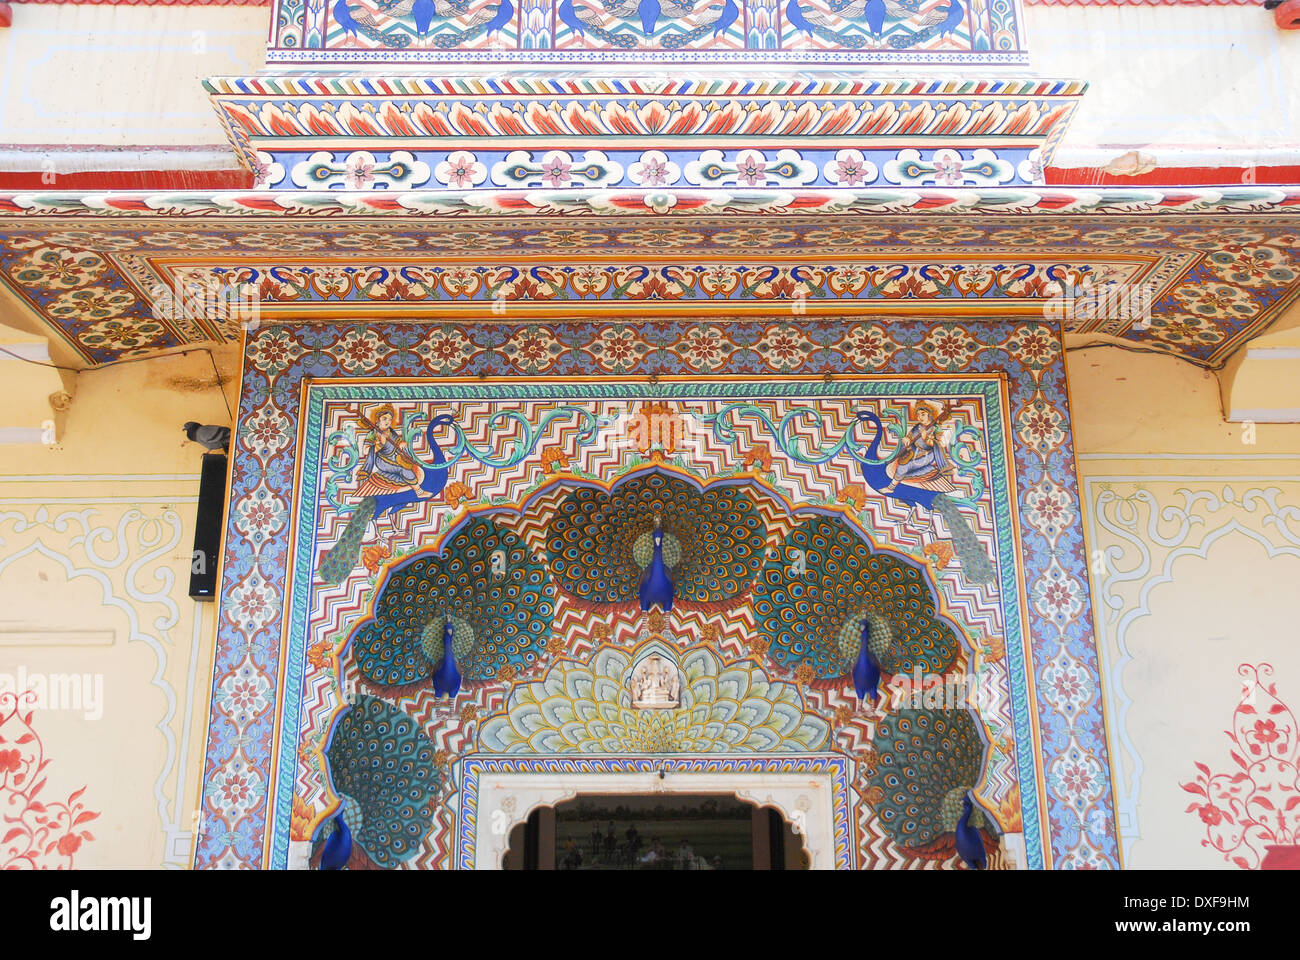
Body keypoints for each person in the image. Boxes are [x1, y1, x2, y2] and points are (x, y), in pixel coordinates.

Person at [354, 404, 430, 500]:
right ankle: (419, 492)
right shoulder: (373, 433)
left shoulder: (390, 431)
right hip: (382, 460)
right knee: (403, 469)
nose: (388, 422)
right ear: (378, 420)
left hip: (394, 456)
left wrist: (401, 443)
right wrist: (379, 445)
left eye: (390, 419)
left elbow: (396, 442)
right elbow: (365, 451)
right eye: (384, 418)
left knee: (409, 463)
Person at [881, 402, 958, 493]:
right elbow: (910, 437)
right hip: (913, 451)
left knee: (904, 466)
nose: (920, 417)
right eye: (918, 415)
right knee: (897, 460)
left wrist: (926, 440)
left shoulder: (935, 428)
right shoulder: (918, 426)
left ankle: (891, 488)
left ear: (929, 415)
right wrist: (906, 439)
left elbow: (939, 444)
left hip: (927, 454)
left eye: (923, 414)